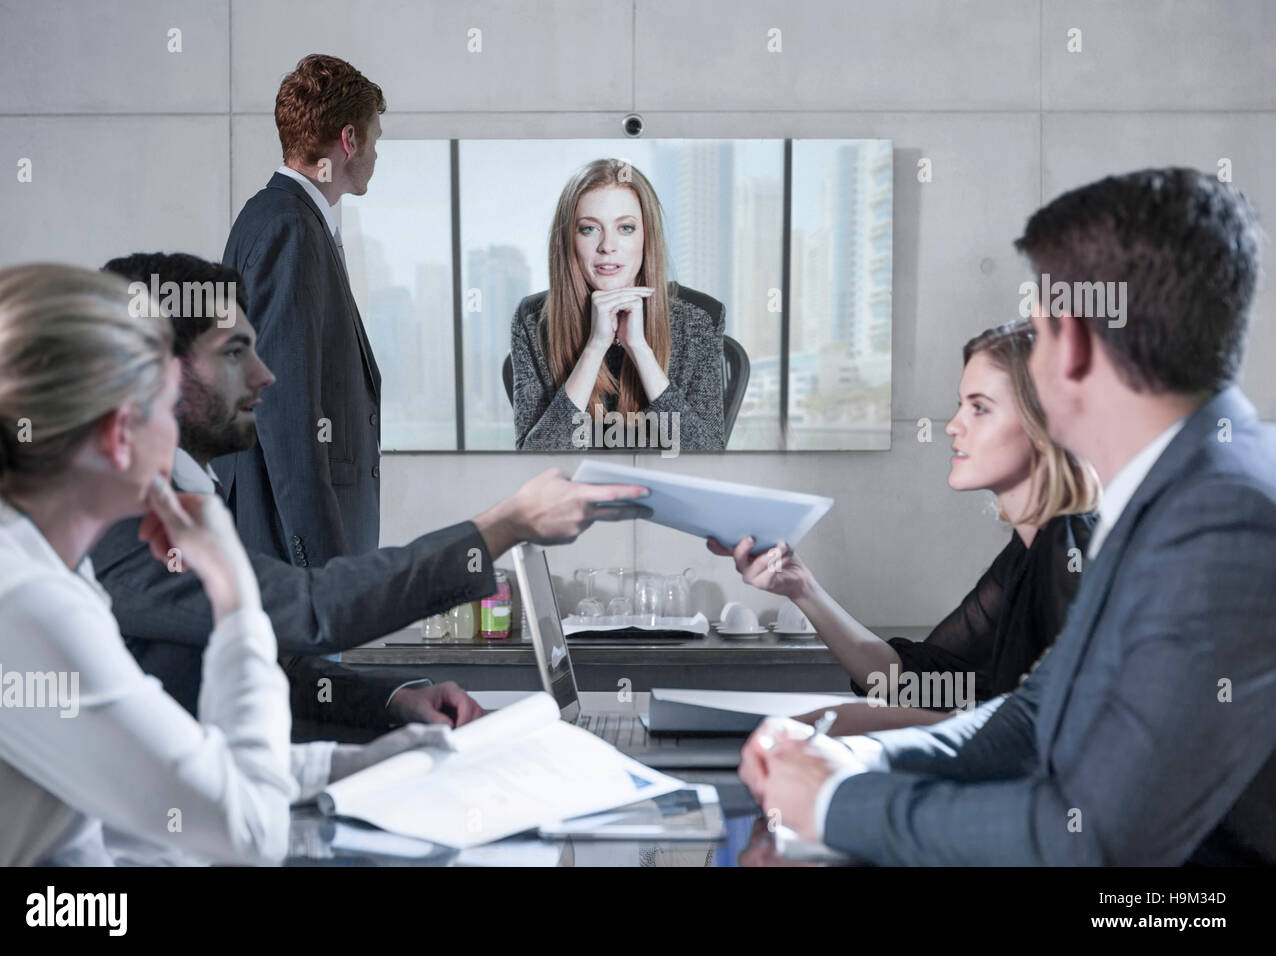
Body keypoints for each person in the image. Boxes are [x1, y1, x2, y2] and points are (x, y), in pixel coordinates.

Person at [742, 167, 1276, 865]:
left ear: (1076, 343)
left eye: (1039, 329)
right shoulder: (1171, 494)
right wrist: (860, 761)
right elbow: (1033, 714)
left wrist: (834, 804)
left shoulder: (1221, 523)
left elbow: (1093, 836)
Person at [93, 253, 651, 730]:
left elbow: (263, 662)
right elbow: (316, 608)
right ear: (153, 373)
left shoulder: (187, 502)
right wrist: (508, 523)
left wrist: (391, 700)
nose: (265, 375)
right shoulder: (122, 525)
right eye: (235, 352)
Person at [0, 264, 294, 865]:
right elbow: (250, 836)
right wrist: (235, 594)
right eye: (169, 406)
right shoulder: (24, 601)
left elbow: (157, 763)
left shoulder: (36, 562)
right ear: (122, 434)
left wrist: (381, 758)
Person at [711, 319, 1098, 735]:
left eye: (980, 408)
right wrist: (801, 588)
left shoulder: (1067, 547)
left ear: (1045, 424)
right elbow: (910, 682)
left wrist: (862, 720)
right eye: (960, 404)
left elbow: (1055, 734)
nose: (953, 425)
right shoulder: (1027, 552)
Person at [218, 53, 385, 569]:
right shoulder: (288, 228)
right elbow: (283, 406)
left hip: (286, 546)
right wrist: (321, 572)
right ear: (349, 140)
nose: (377, 155)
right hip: (291, 554)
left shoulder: (279, 217)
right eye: (376, 140)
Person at [511, 159, 727, 452]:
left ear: (646, 236)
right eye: (589, 229)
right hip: (574, 493)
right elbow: (536, 462)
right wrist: (595, 346)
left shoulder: (699, 317)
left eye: (625, 227)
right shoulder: (533, 320)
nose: (607, 245)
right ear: (569, 240)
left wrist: (639, 349)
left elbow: (708, 460)